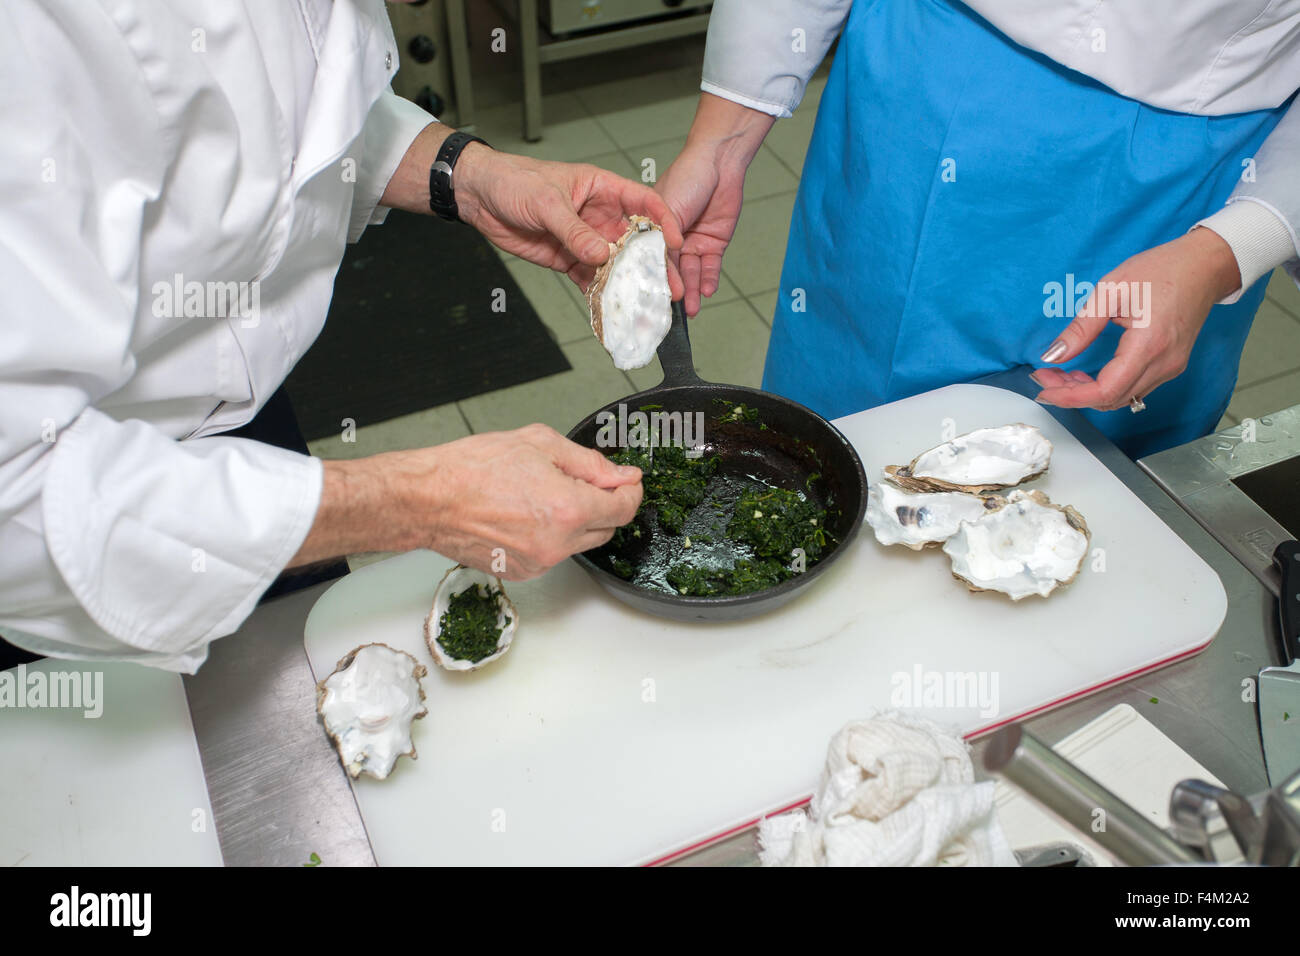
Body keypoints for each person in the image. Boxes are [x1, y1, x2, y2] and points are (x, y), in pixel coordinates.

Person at [0, 0, 685, 672]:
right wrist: (426, 501)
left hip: (249, 419)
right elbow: (18, 501)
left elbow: (287, 104)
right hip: (67, 528)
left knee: (295, 685)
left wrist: (466, 174)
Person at [657, 0, 1300, 458]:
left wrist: (1227, 250)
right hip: (917, 91)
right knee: (831, 453)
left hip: (1184, 188)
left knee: (1094, 480)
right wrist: (723, 141)